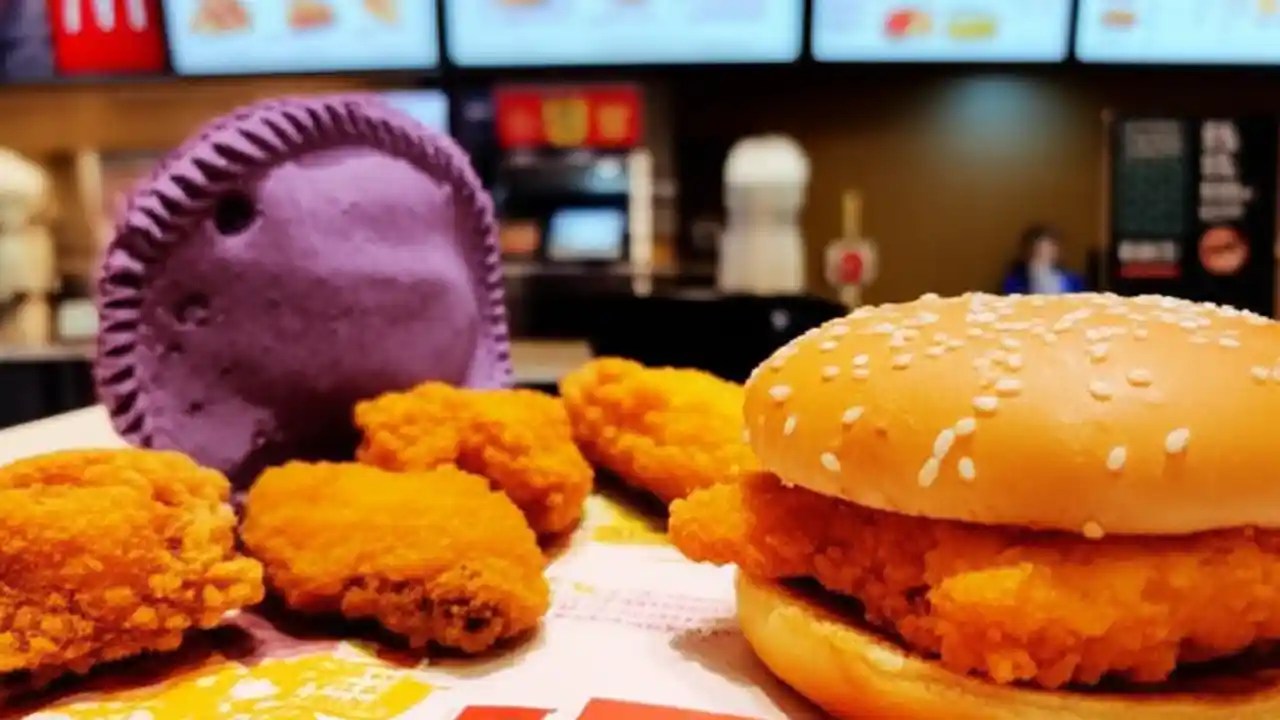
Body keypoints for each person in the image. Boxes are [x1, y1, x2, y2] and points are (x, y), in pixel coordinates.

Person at [1001, 225, 1085, 295]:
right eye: (1039, 249)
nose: (1044, 253)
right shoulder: (1014, 282)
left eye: (1049, 248)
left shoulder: (1074, 280)